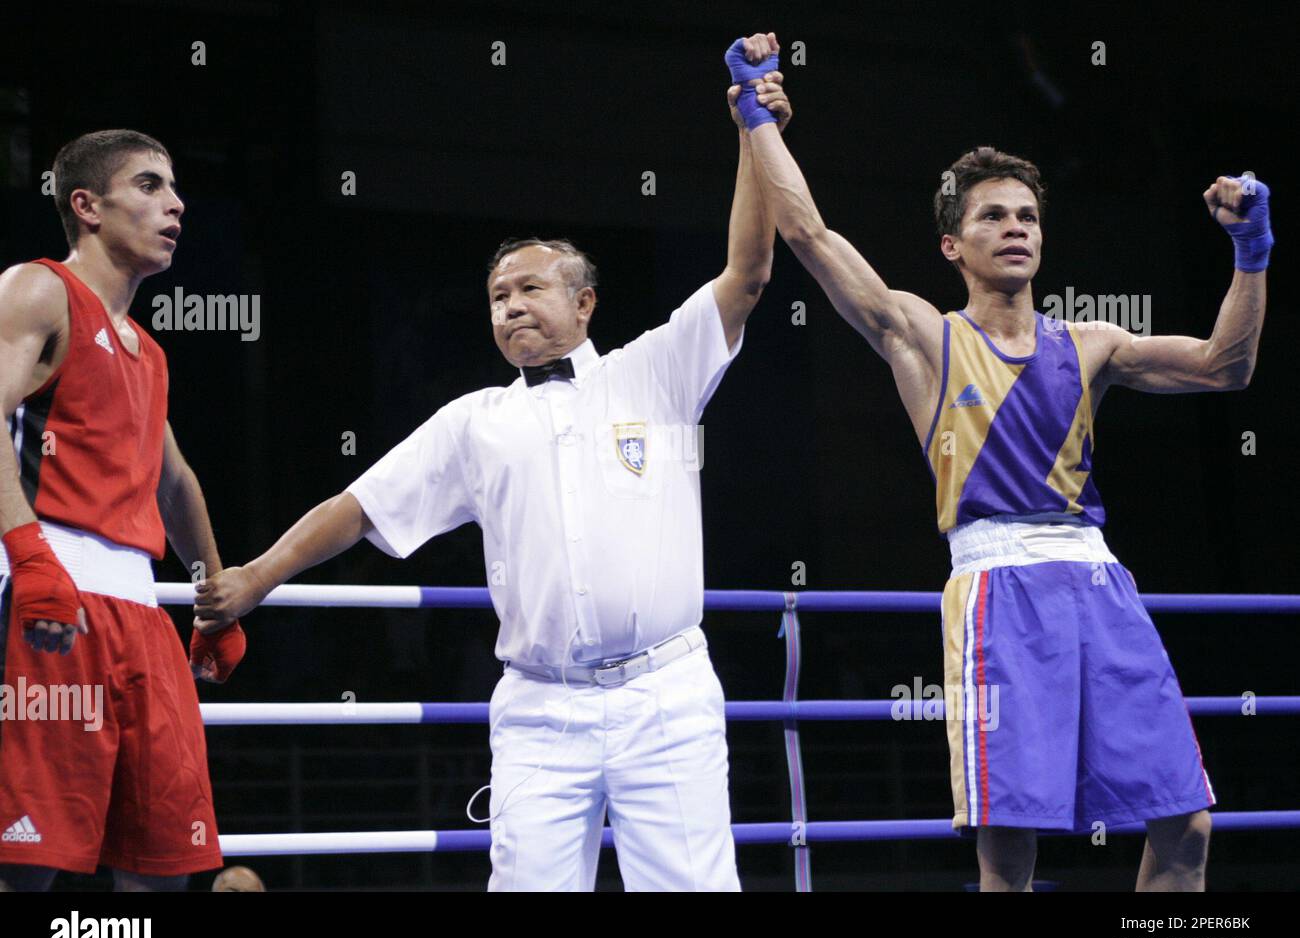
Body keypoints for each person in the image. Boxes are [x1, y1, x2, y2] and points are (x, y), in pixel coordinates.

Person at [193, 34, 790, 891]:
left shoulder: (653, 370)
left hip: (665, 694)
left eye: (531, 289)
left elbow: (750, 269)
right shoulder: (476, 422)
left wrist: (750, 128)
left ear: (584, 302)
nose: (510, 306)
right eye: (498, 297)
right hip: (541, 710)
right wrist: (257, 575)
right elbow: (358, 505)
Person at [742, 61, 1270, 890]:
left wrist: (1250, 252)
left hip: (1101, 584)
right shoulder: (922, 334)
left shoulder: (1092, 343)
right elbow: (808, 234)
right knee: (1011, 847)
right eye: (993, 215)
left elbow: (1223, 368)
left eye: (1027, 214)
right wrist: (756, 117)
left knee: (1186, 820)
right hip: (998, 591)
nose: (1016, 226)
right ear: (954, 244)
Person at [0, 130, 247, 891]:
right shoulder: (37, 288)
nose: (174, 204)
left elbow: (173, 482)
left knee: (163, 858)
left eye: (174, 189)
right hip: (49, 599)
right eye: (148, 185)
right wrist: (30, 554)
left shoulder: (146, 348)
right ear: (87, 205)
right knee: (30, 858)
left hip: (141, 613)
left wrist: (213, 601)